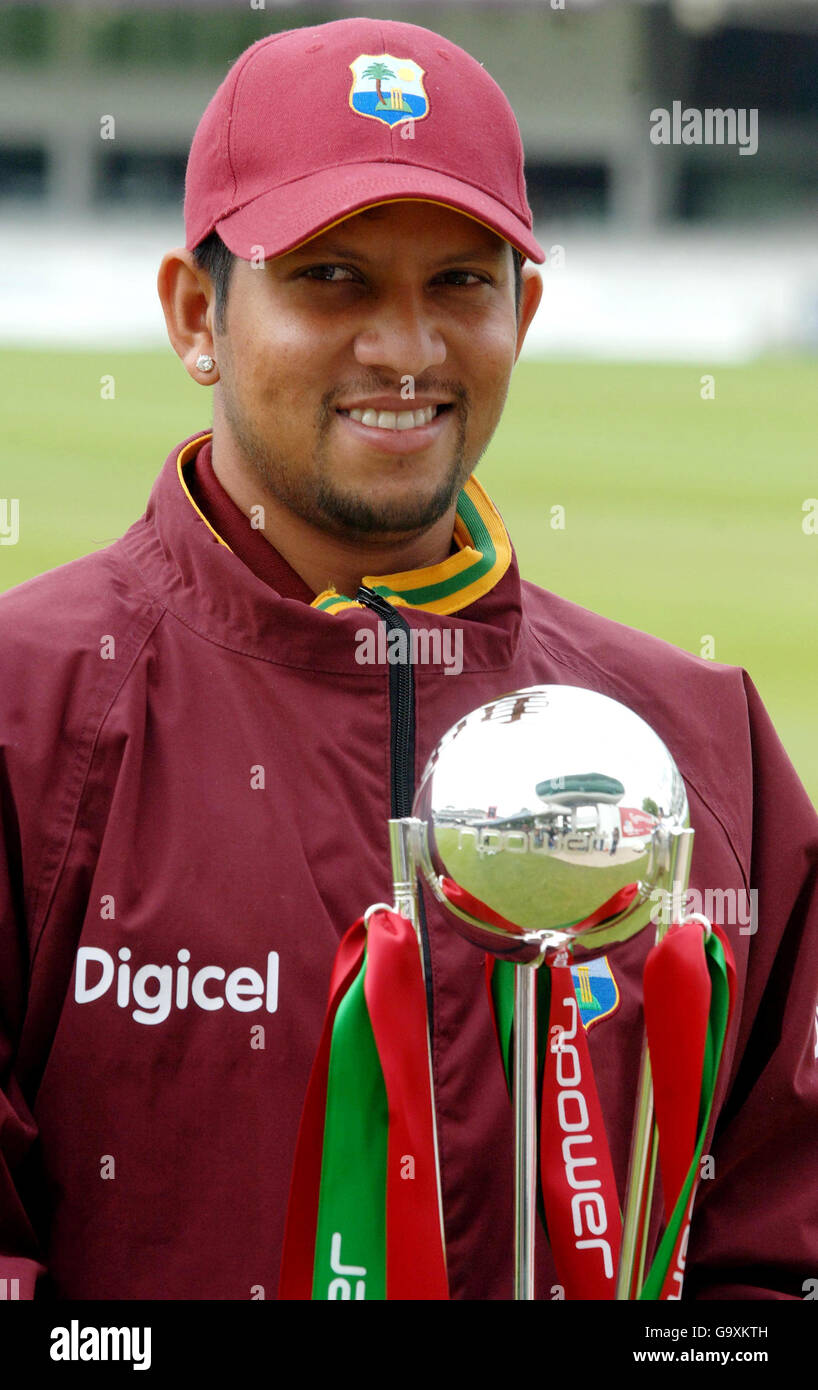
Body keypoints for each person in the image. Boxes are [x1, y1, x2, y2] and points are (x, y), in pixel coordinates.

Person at [0, 16, 815, 1302]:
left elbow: (780, 1245)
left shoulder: (700, 742)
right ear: (192, 314)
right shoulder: (25, 711)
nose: (406, 348)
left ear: (522, 313)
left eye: (458, 283)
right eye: (331, 278)